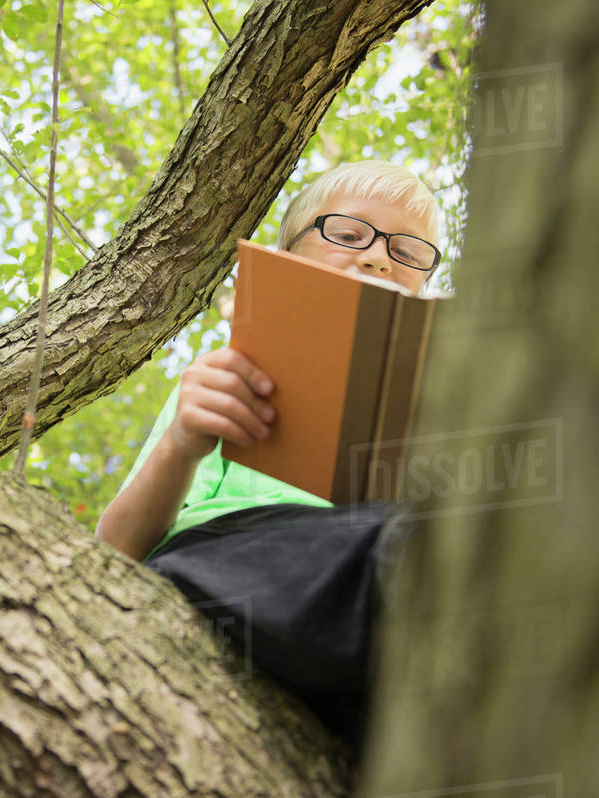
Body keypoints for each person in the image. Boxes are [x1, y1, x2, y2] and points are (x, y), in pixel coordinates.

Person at [94, 160, 441, 740]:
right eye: (348, 235)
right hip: (229, 571)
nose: (379, 257)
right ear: (290, 257)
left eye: (408, 252)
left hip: (367, 636)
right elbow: (113, 551)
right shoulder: (229, 381)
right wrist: (184, 443)